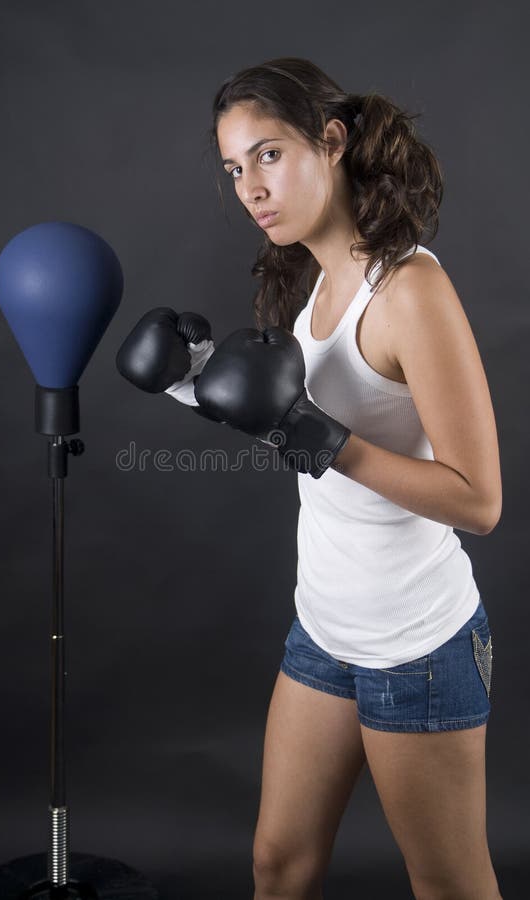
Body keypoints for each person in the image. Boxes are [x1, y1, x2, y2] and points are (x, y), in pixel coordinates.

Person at [117, 58, 503, 900]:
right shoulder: (320, 288)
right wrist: (191, 382)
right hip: (324, 629)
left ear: (331, 141)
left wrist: (323, 439)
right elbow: (297, 433)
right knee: (278, 865)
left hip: (415, 644)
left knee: (449, 885)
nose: (251, 188)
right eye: (234, 169)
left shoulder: (410, 288)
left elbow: (479, 501)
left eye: (268, 154)